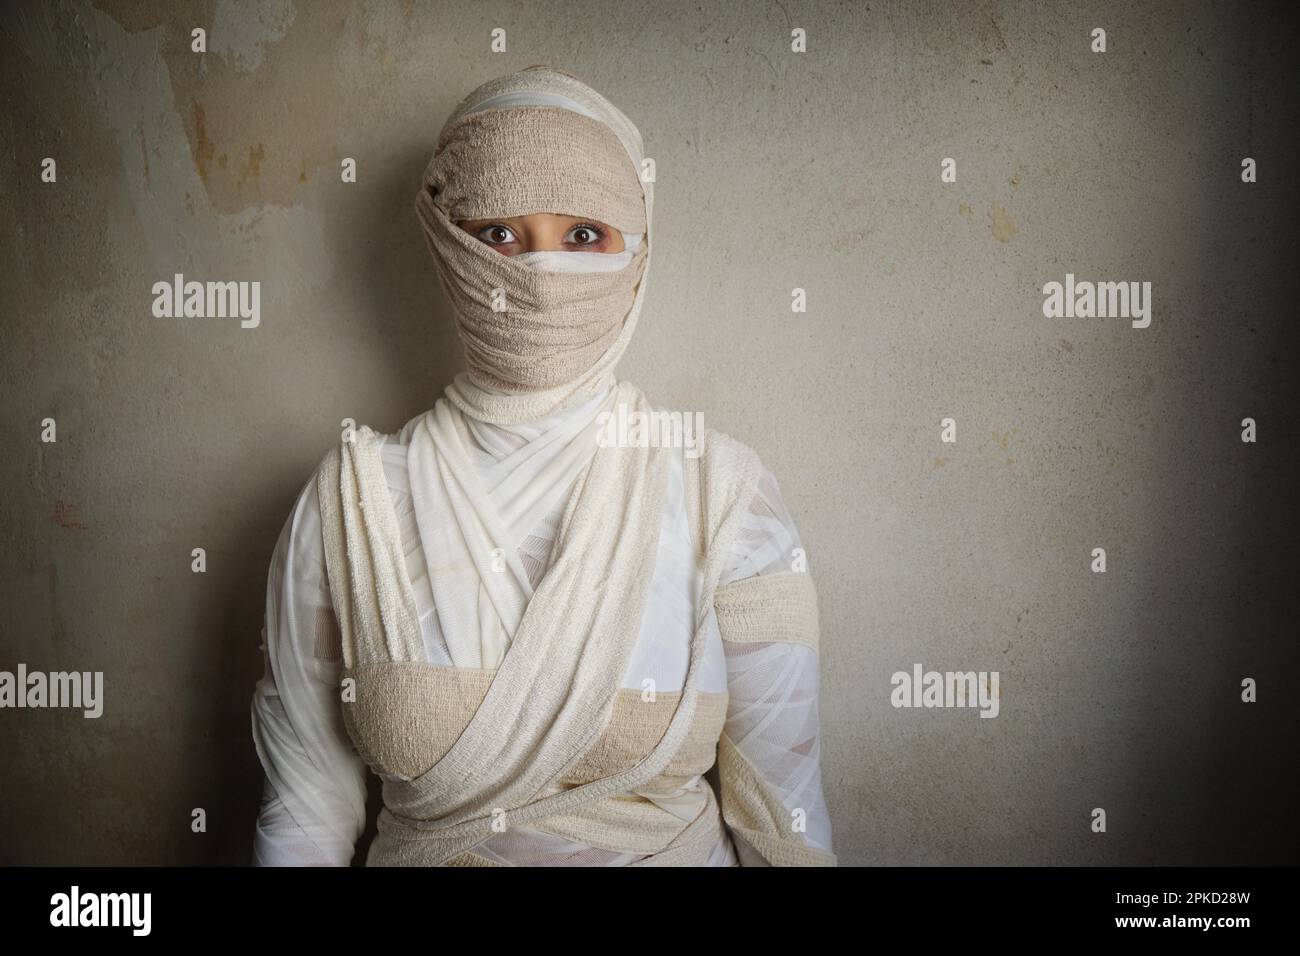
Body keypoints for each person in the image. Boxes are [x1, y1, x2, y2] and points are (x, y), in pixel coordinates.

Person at [250, 65, 835, 866]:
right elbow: (305, 814)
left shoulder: (722, 494)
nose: (541, 273)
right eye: (499, 235)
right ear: (446, 243)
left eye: (584, 236)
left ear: (638, 248)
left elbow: (785, 824)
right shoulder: (353, 503)